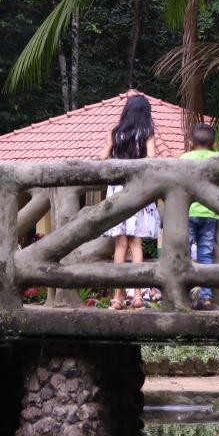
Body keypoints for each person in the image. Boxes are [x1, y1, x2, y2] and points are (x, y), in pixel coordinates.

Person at [98, 94, 161, 310]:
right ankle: (137, 296)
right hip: (138, 191)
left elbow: (102, 158)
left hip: (118, 191)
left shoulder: (115, 133)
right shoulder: (147, 133)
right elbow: (151, 159)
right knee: (136, 244)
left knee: (120, 244)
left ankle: (117, 297)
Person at [184, 122, 219, 311]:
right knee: (206, 255)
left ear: (191, 142)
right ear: (213, 143)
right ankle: (206, 297)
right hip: (210, 213)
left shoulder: (185, 158)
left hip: (189, 212)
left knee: (184, 253)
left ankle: (185, 293)